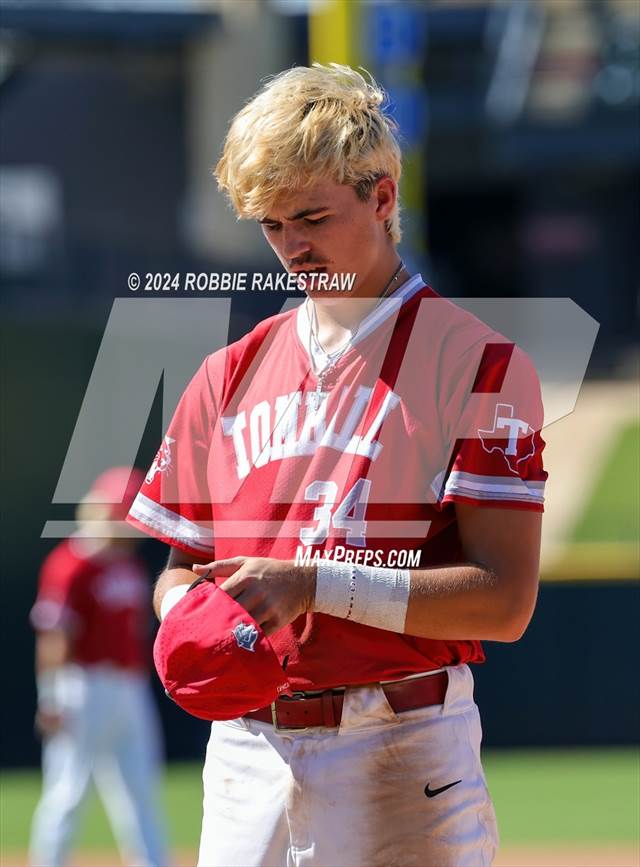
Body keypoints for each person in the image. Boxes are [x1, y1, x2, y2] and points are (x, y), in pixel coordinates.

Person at [127, 64, 547, 866]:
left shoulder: (479, 364)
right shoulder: (227, 374)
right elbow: (180, 570)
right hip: (246, 752)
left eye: (312, 216)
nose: (292, 246)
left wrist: (315, 583)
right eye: (272, 225)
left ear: (383, 198)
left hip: (401, 743)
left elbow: (504, 599)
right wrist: (195, 616)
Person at [29, 467, 168, 867]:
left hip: (128, 685)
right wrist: (51, 697)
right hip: (83, 685)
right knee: (68, 789)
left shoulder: (130, 565)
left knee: (139, 788)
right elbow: (54, 636)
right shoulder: (71, 563)